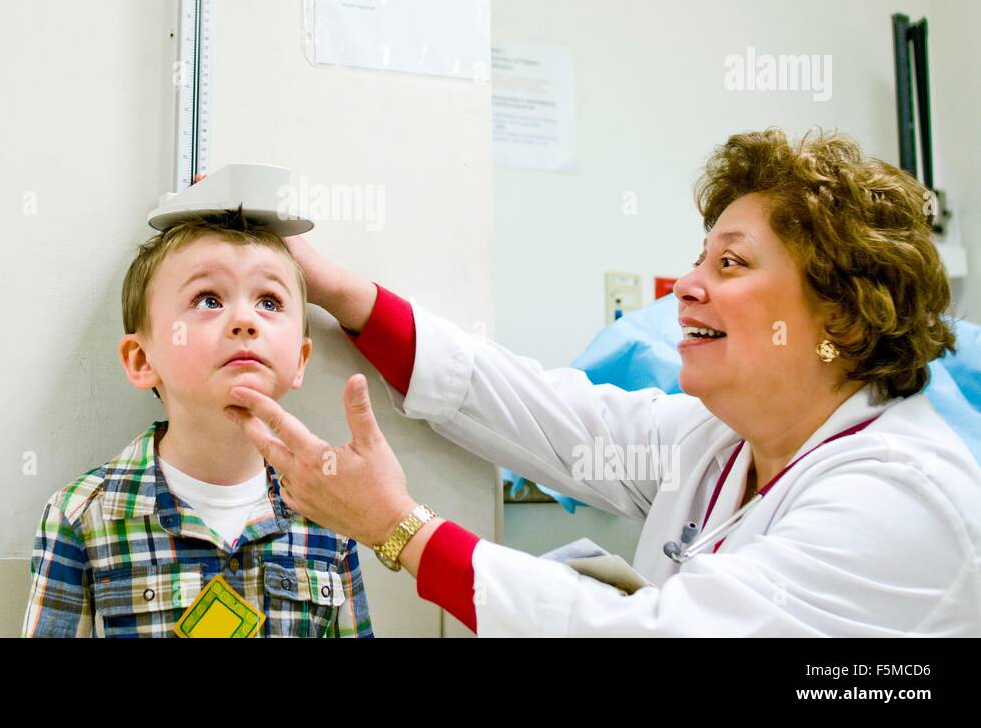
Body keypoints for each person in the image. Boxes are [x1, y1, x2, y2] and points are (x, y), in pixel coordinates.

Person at [225, 128, 981, 636]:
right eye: (699, 257)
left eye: (731, 263)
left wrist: (398, 526)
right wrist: (338, 291)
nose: (685, 284)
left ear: (842, 317)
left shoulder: (901, 501)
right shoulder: (726, 442)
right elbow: (551, 415)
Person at [23, 210, 372, 637]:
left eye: (269, 302)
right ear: (142, 359)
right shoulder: (80, 517)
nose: (246, 321)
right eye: (209, 300)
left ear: (299, 361)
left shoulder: (331, 516)